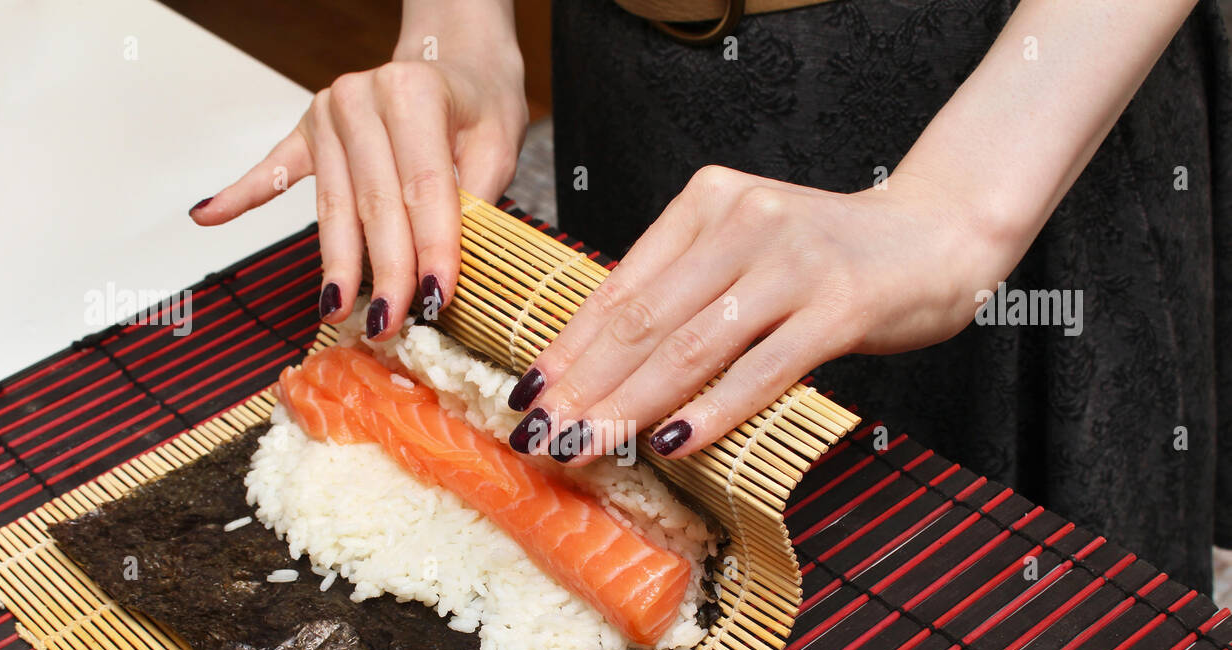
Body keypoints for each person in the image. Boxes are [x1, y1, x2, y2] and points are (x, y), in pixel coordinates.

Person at [189, 0, 1232, 595]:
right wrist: (452, 36)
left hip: (1003, 99)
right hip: (635, 86)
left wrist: (959, 210)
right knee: (696, 612)